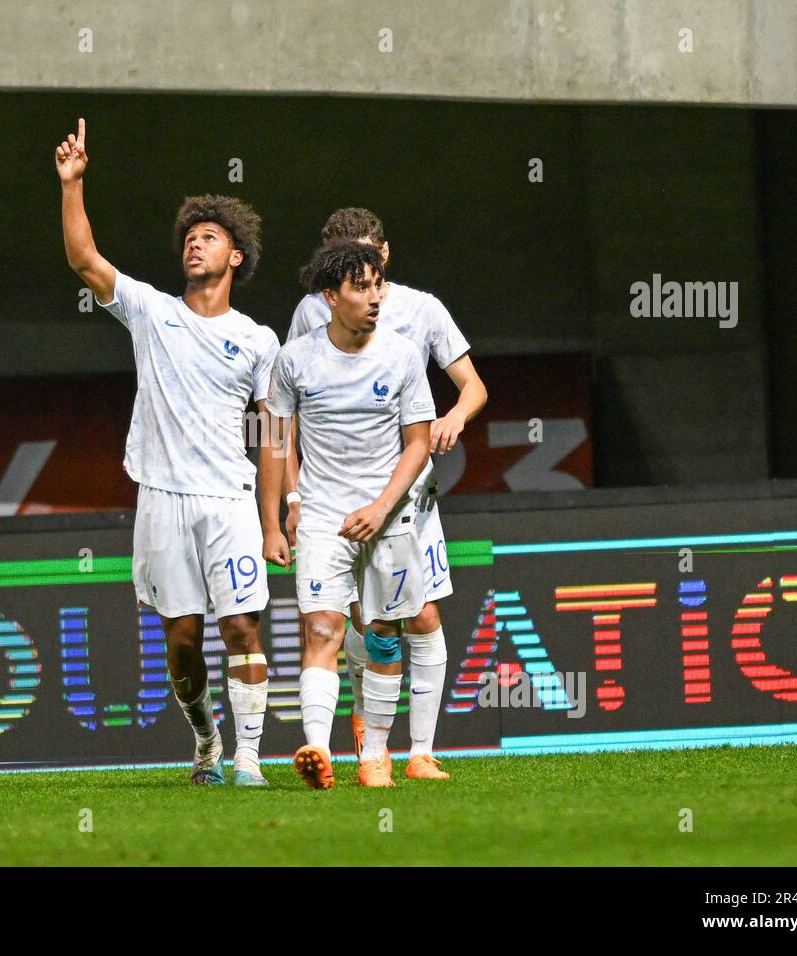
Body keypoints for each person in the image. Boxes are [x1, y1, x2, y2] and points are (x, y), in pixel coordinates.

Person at [56, 118, 281, 786]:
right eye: (189, 237)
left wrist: (277, 516)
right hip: (161, 499)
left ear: (234, 256)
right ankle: (207, 737)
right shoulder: (152, 312)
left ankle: (248, 761)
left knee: (241, 627)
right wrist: (73, 185)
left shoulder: (259, 340)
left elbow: (272, 434)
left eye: (208, 237)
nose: (194, 245)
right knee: (182, 640)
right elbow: (85, 261)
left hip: (231, 501)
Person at [285, 208, 486, 779]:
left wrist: (454, 416)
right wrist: (295, 498)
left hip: (409, 492)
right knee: (351, 620)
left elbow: (473, 386)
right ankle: (368, 739)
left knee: (418, 617)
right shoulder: (311, 314)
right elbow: (290, 412)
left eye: (369, 253)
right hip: (336, 498)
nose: (363, 269)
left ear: (386, 252)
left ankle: (421, 748)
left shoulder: (422, 310)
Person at [265, 241, 435, 789]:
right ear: (330, 296)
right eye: (361, 287)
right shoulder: (294, 361)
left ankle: (377, 755)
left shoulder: (402, 355)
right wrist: (277, 514)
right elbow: (272, 439)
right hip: (322, 517)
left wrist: (382, 506)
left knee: (384, 635)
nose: (374, 297)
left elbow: (419, 443)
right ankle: (317, 748)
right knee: (322, 627)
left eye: (378, 284)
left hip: (389, 518)